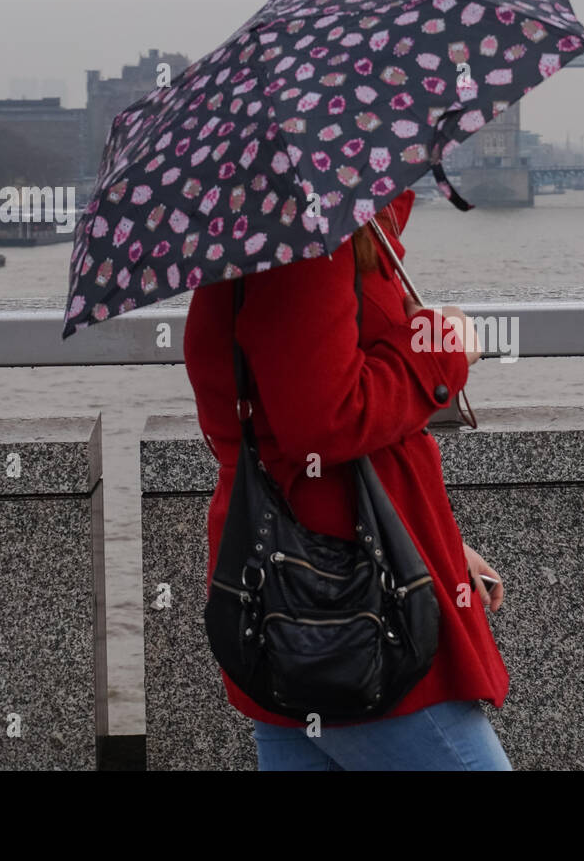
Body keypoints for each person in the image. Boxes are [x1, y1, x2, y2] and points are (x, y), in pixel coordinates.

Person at [182, 188, 512, 770]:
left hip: (293, 584)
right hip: (352, 604)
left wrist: (437, 548)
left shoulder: (276, 226)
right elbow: (326, 421)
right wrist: (442, 349)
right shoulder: (308, 235)